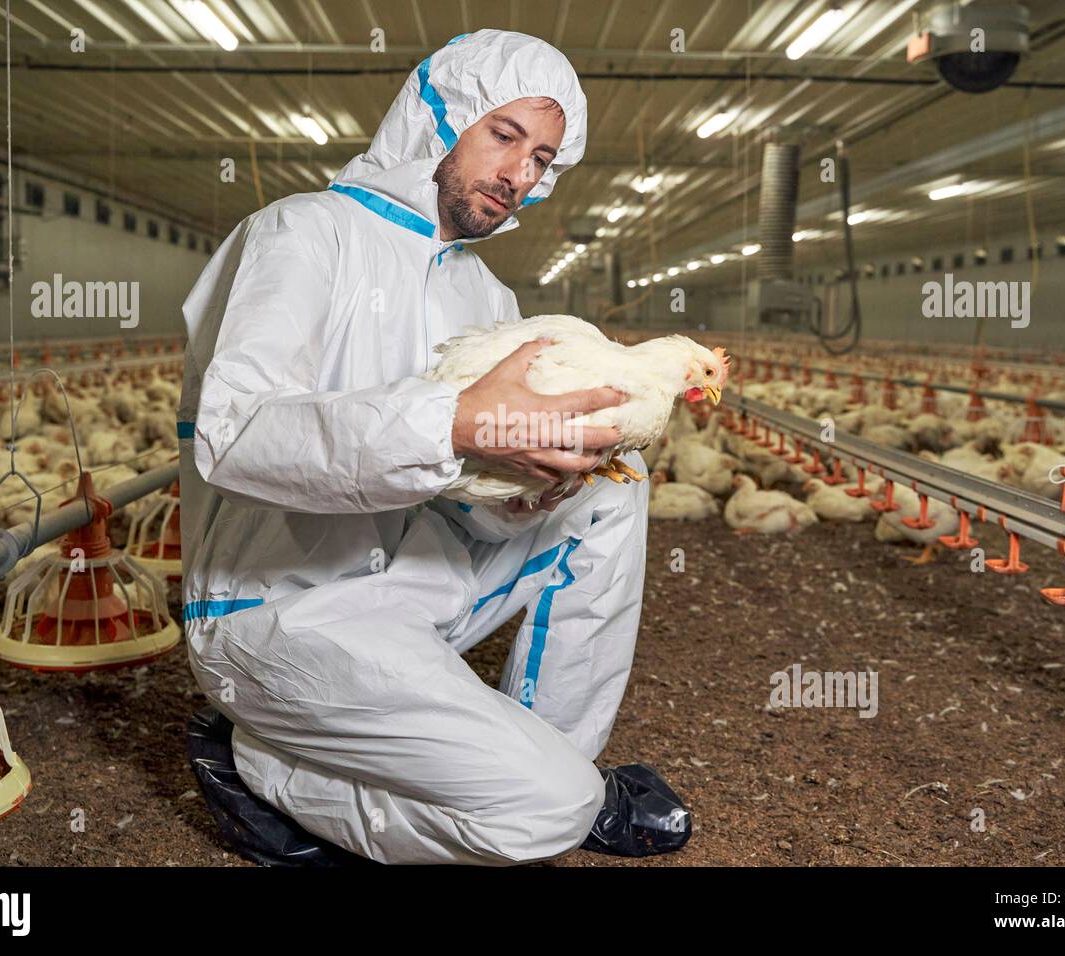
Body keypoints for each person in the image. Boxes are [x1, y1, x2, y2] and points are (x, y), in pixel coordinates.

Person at [178, 28, 690, 866]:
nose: (520, 175)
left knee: (612, 489)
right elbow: (238, 437)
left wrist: (530, 484)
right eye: (505, 137)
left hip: (408, 588)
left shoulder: (485, 290)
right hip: (277, 612)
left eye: (544, 160)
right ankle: (267, 766)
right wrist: (455, 423)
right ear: (434, 119)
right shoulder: (301, 235)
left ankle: (558, 757)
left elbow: (467, 504)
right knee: (542, 820)